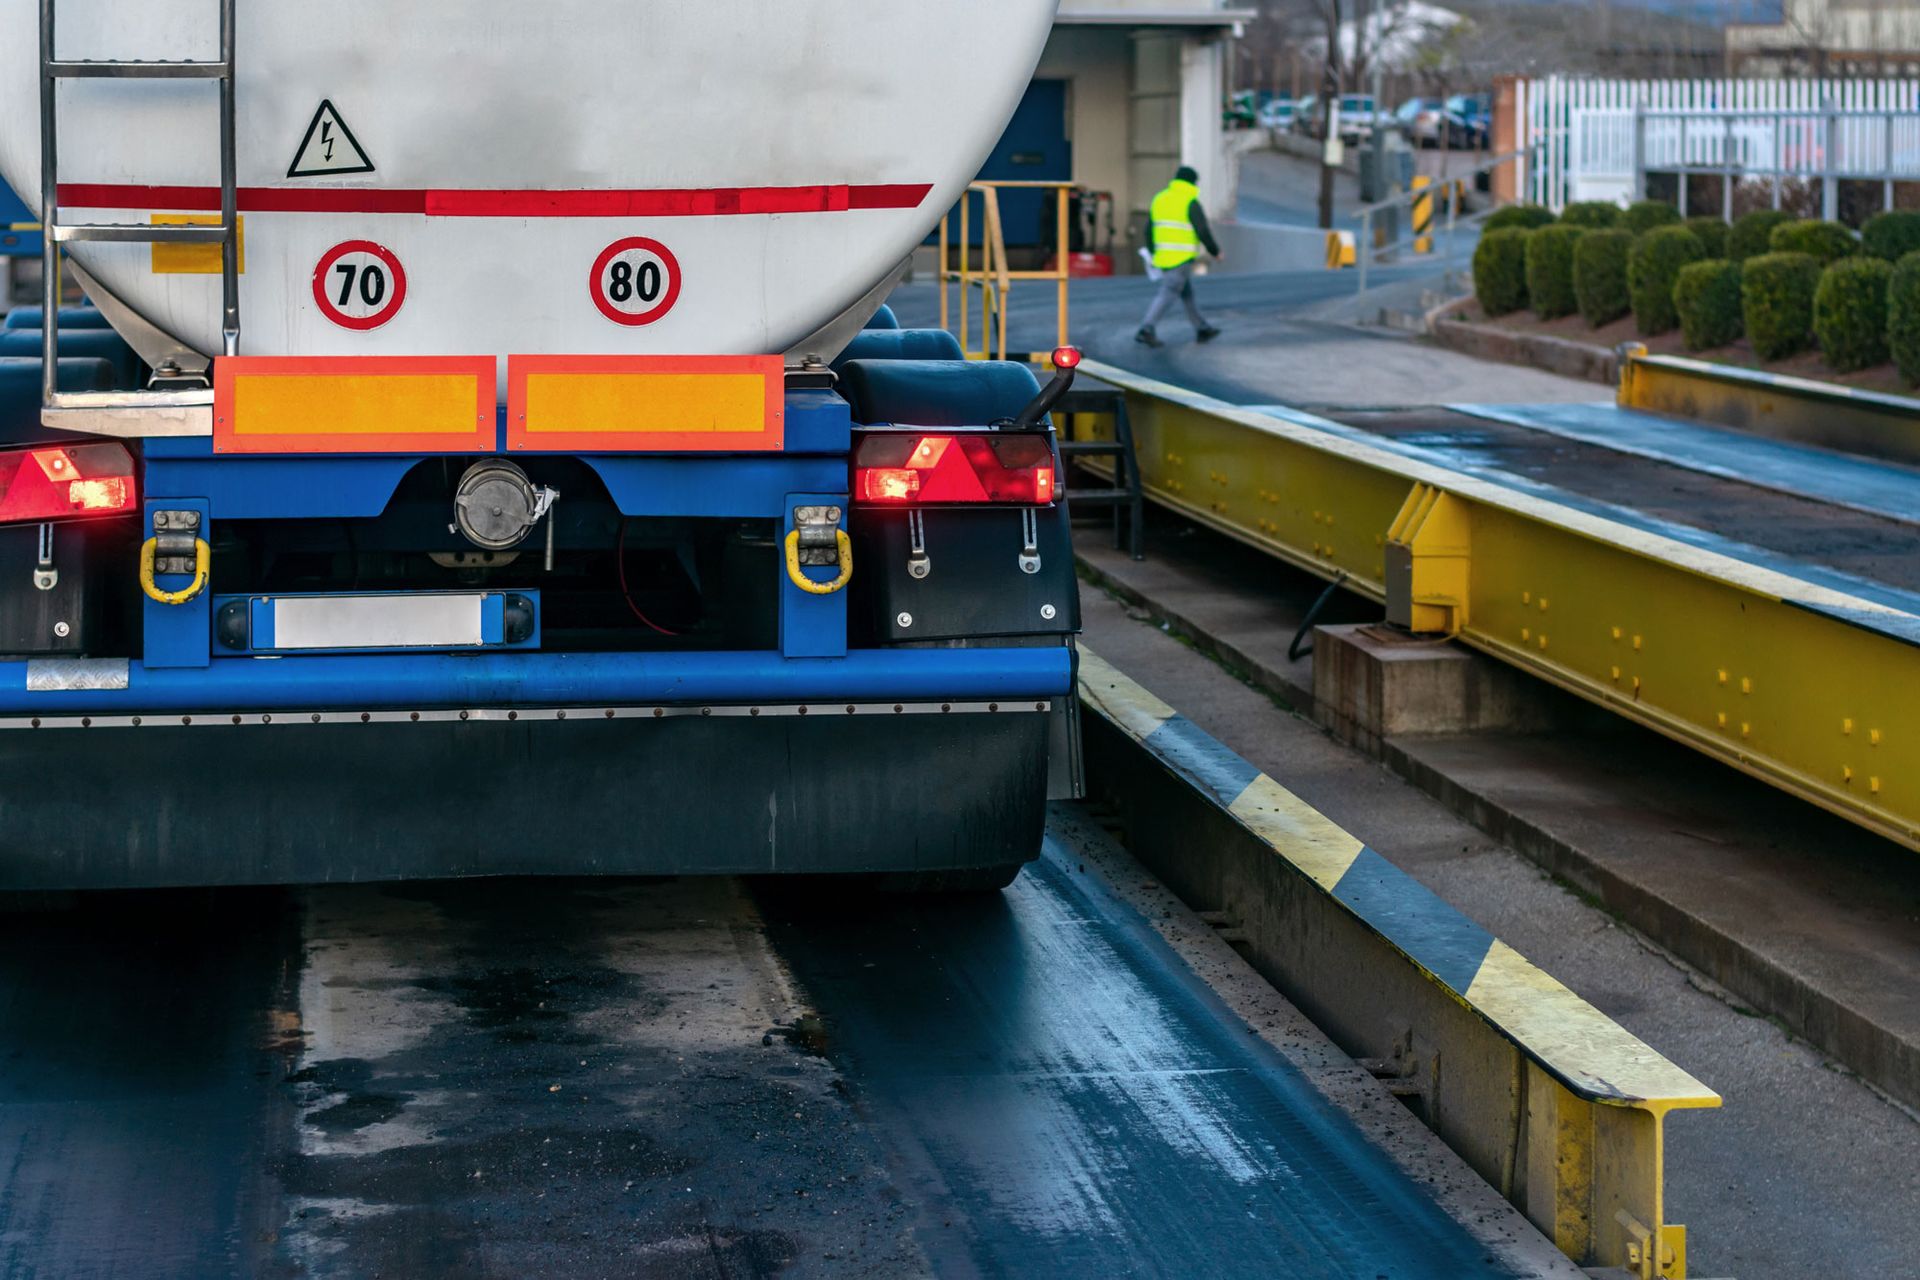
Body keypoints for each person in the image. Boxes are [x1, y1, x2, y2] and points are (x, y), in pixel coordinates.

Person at [1137, 166, 1222, 348]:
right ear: (1192, 182)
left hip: (1164, 257)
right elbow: (1202, 230)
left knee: (1187, 293)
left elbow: (1148, 230)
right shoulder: (1190, 201)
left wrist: (1153, 253)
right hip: (1180, 257)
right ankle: (1146, 328)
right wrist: (1215, 251)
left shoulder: (1160, 198)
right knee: (1168, 292)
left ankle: (1202, 328)